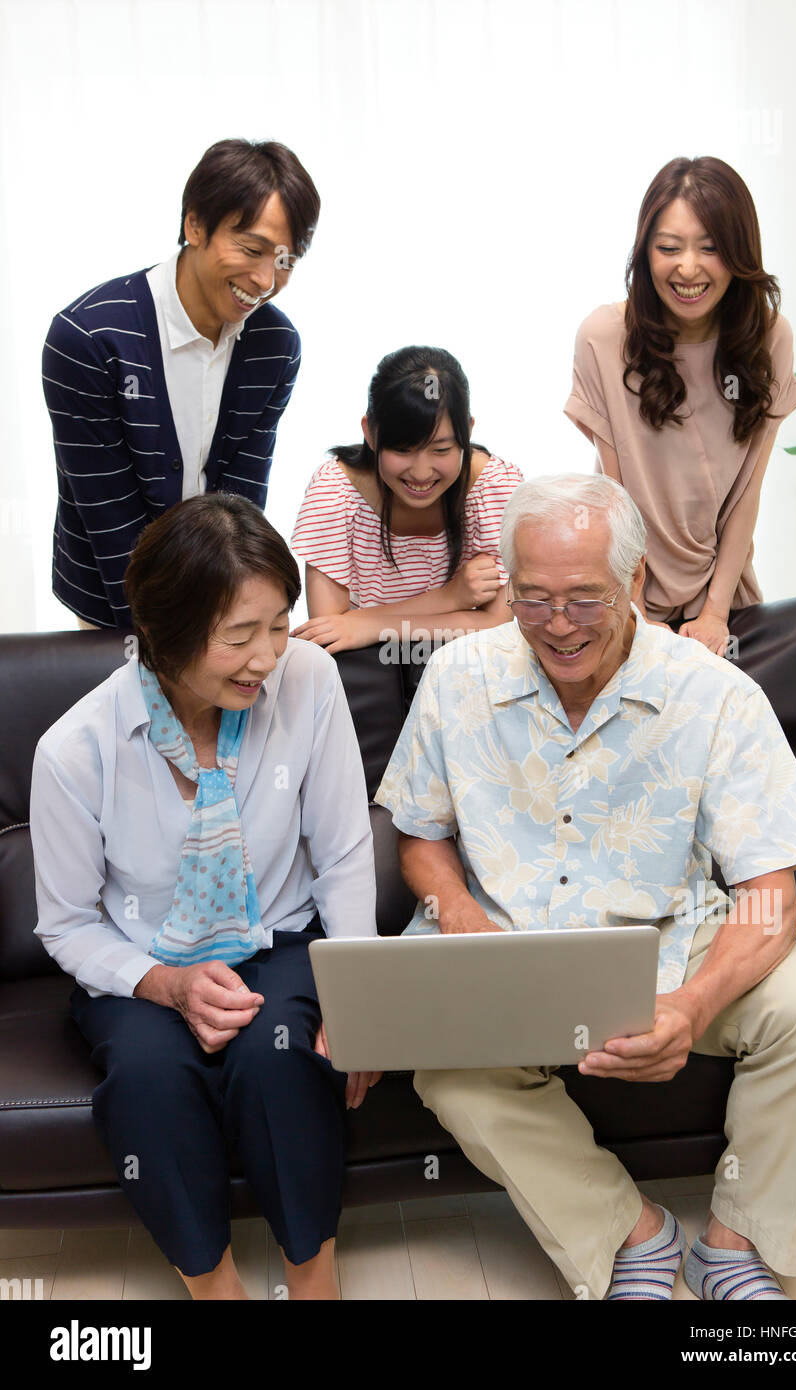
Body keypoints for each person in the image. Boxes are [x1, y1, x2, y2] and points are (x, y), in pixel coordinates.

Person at [373, 473, 796, 1302]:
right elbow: (420, 836)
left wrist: (694, 1006)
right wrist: (457, 915)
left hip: (675, 937)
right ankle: (630, 1234)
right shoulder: (458, 678)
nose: (558, 626)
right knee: (449, 1071)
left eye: (583, 599)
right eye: (533, 598)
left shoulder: (714, 693)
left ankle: (734, 1246)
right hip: (510, 942)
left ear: (635, 583)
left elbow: (770, 894)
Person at [30, 493, 380, 1301]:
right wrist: (167, 985)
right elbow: (69, 924)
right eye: (239, 636)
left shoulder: (311, 681)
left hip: (277, 946)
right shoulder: (75, 752)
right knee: (148, 1081)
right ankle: (215, 1288)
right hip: (144, 966)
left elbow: (342, 848)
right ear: (164, 634)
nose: (268, 656)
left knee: (282, 1062)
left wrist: (358, 1000)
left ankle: (312, 1278)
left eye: (281, 624)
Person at [42, 138, 320, 630]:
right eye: (251, 249)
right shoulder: (88, 339)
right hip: (111, 597)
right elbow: (109, 519)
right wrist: (171, 641)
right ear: (195, 225)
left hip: (215, 603)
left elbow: (241, 502)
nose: (263, 280)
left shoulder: (275, 346)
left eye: (285, 261)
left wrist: (236, 620)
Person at [563, 156, 796, 656]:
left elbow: (746, 495)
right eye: (669, 248)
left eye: (711, 248)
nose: (688, 268)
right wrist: (639, 615)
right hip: (627, 596)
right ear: (645, 253)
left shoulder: (769, 339)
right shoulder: (604, 338)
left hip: (725, 599)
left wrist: (715, 613)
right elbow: (615, 500)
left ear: (739, 254)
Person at [289, 346, 523, 654]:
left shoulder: (495, 487)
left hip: (467, 676)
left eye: (441, 450)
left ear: (467, 431)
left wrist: (368, 625)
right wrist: (451, 598)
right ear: (371, 433)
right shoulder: (336, 494)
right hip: (366, 680)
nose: (422, 473)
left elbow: (498, 625)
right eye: (403, 450)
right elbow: (330, 632)